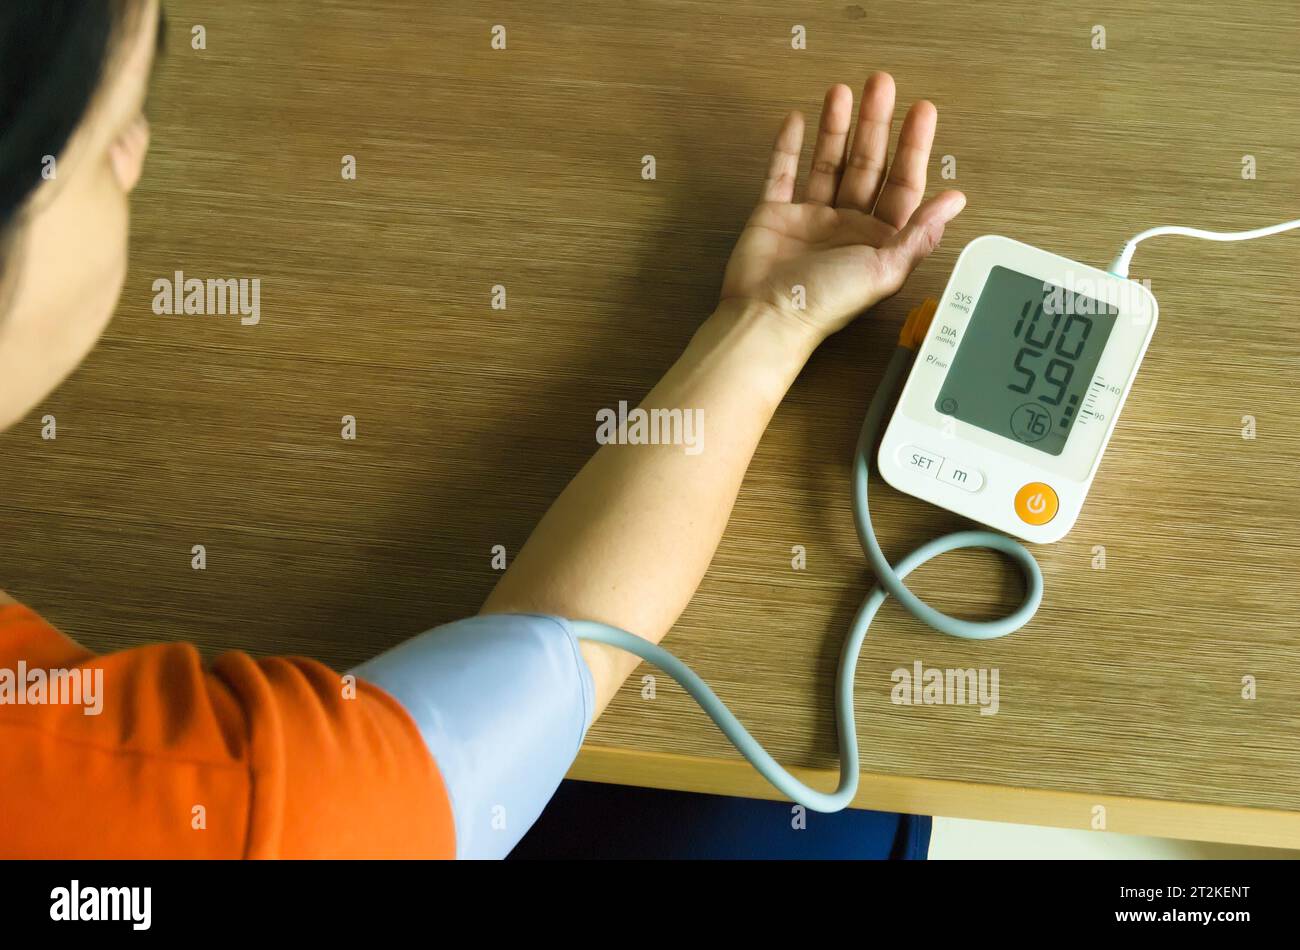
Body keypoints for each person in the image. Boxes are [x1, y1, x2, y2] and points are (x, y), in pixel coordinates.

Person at [0, 1, 966, 858]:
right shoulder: (226, 806)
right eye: (113, 130)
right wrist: (767, 327)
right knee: (835, 819)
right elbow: (560, 653)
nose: (138, 157)